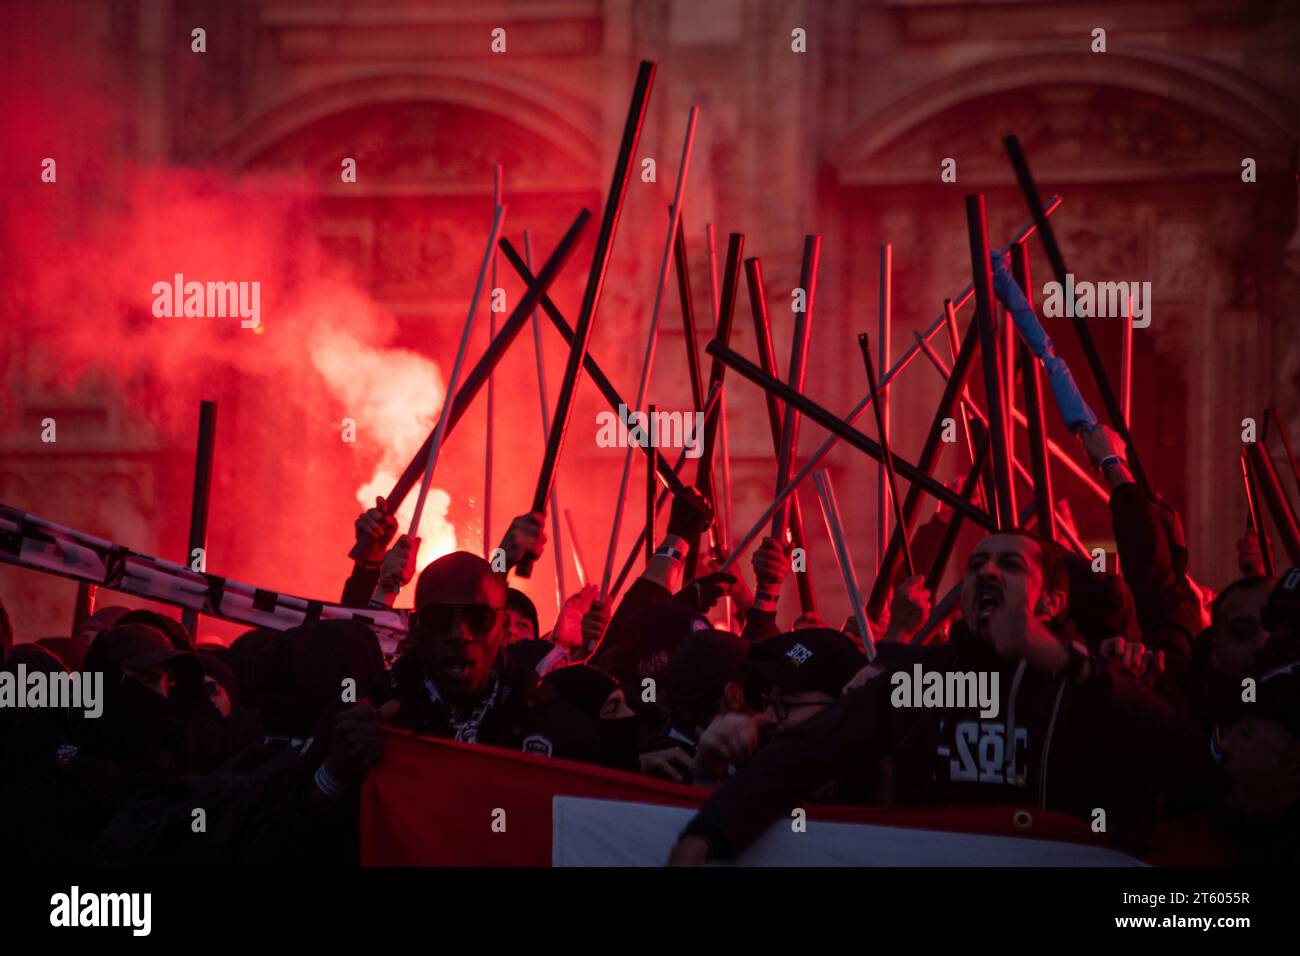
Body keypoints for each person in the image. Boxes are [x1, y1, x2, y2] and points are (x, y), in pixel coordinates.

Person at [667, 530, 1211, 864]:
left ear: (1052, 602)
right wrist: (708, 833)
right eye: (976, 565)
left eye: (1010, 565)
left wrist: (1075, 667)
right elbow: (812, 750)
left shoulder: (1091, 685)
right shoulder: (930, 680)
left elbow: (1187, 764)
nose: (987, 572)